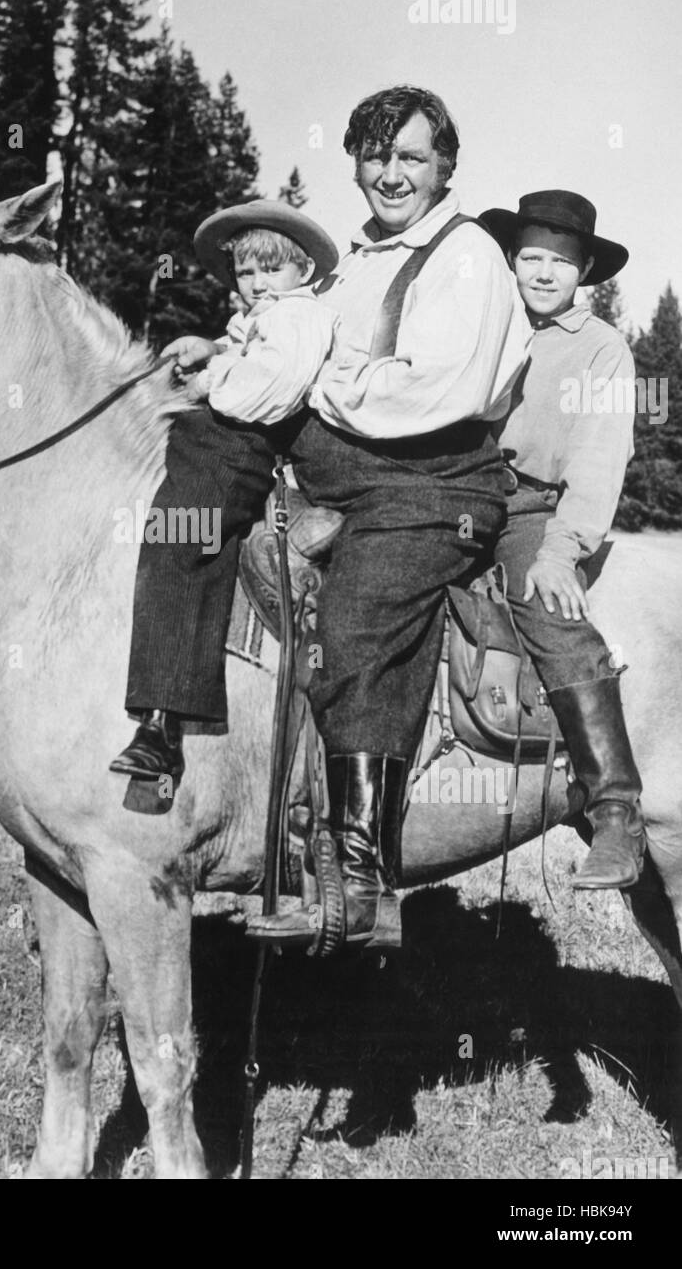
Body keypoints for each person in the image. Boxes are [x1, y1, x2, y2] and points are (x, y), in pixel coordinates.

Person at [116, 86, 531, 949]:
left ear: (444, 166)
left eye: (411, 158)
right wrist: (225, 352)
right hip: (347, 460)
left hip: (436, 479)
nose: (391, 174)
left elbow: (432, 391)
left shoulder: (468, 258)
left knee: (361, 612)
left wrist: (313, 385)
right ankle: (161, 715)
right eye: (376, 157)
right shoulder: (346, 265)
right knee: (199, 470)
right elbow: (286, 339)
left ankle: (358, 873)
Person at [110, 200, 340, 778]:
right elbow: (244, 355)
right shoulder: (263, 318)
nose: (257, 283)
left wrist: (210, 376)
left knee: (181, 537)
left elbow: (263, 392)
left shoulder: (301, 318)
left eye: (272, 269)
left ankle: (161, 724)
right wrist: (211, 348)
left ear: (303, 272)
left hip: (243, 445)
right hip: (212, 437)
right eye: (246, 272)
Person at [478, 190, 644, 889]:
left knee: (551, 615)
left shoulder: (602, 349)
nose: (544, 274)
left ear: (584, 274)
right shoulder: (485, 323)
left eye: (562, 262)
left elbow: (601, 458)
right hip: (453, 493)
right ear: (512, 262)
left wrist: (558, 550)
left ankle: (614, 812)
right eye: (531, 258)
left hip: (529, 509)